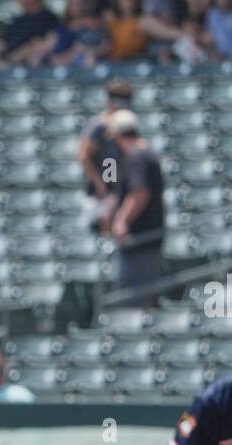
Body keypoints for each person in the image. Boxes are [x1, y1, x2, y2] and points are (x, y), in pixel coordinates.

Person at [107, 109, 165, 306]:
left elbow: (140, 192)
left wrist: (121, 221)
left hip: (139, 240)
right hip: (148, 238)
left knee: (132, 301)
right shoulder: (146, 153)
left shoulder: (137, 156)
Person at [78, 81, 132, 232]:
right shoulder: (99, 126)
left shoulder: (123, 127)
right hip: (98, 195)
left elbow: (115, 161)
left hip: (115, 192)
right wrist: (99, 184)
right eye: (118, 102)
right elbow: (83, 155)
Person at [0, 0, 61, 69]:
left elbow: (39, 43)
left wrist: (11, 60)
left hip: (27, 68)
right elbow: (1, 42)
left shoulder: (49, 18)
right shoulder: (19, 20)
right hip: (3, 66)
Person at [50, 0, 111, 68]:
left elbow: (106, 46)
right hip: (72, 62)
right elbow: (55, 59)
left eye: (78, 4)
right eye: (73, 4)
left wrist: (92, 52)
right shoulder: (63, 30)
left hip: (95, 61)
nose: (76, 7)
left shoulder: (98, 28)